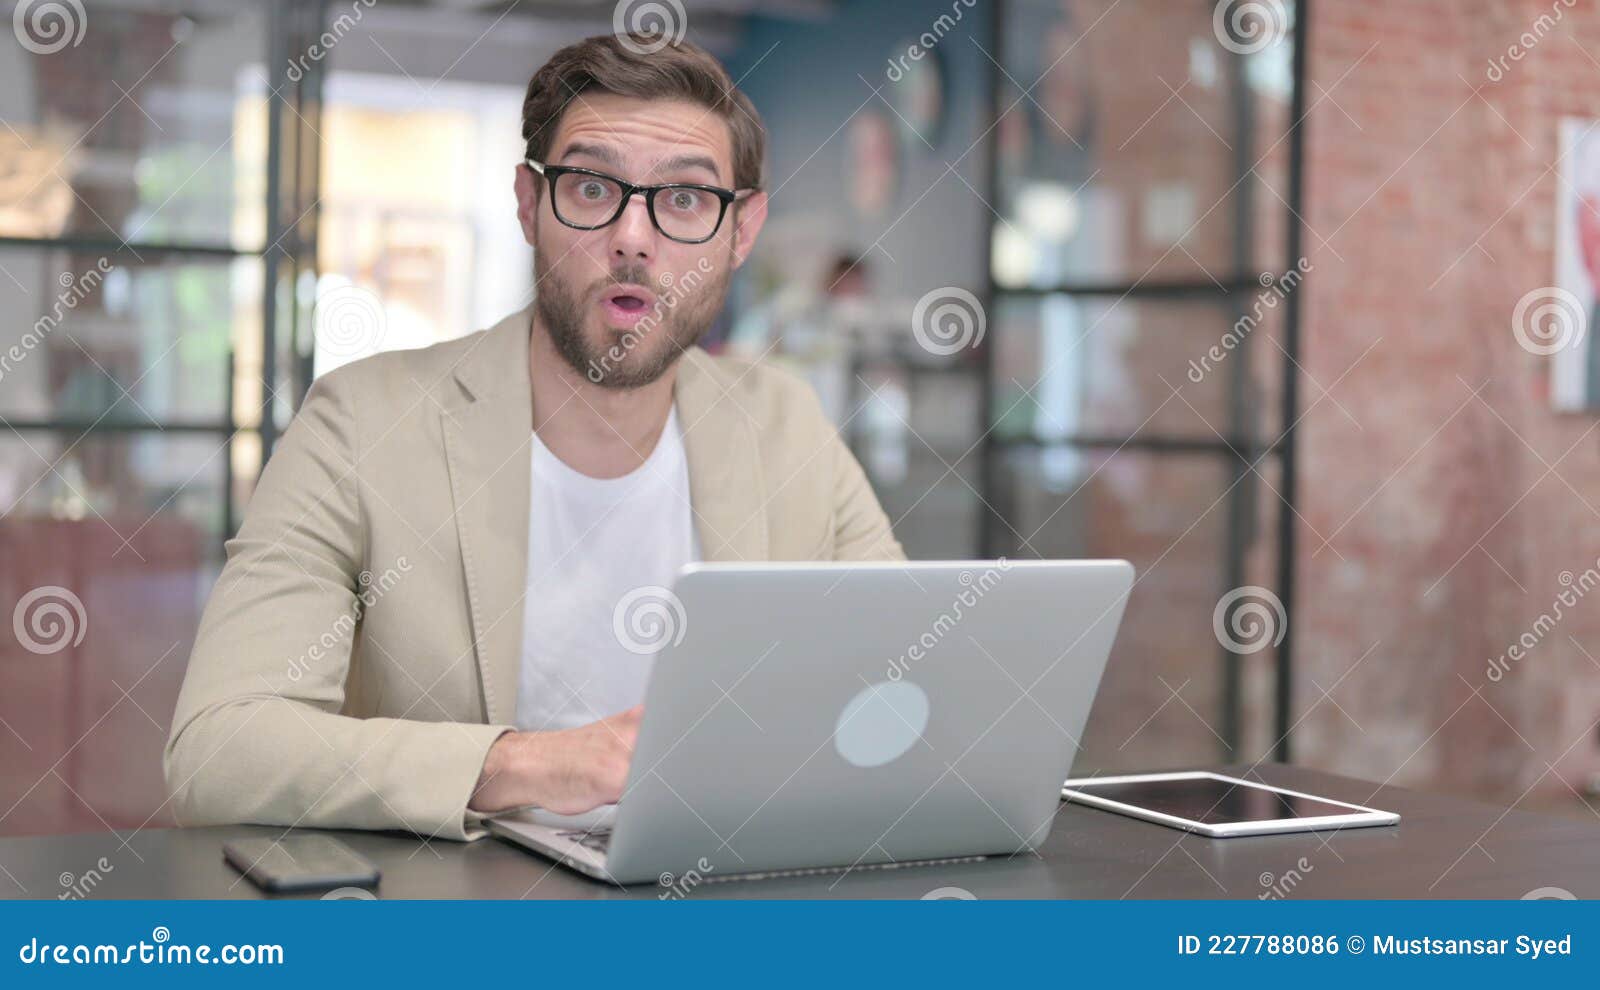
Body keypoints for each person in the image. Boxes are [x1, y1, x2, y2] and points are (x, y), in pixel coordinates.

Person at [164, 32, 903, 840]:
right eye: (592, 188)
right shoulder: (360, 425)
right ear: (529, 203)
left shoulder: (783, 421)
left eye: (685, 200)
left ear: (742, 232)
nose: (633, 237)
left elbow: (907, 683)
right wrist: (529, 764)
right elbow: (219, 748)